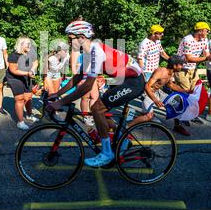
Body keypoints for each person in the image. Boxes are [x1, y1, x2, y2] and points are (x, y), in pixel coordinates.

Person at [48, 20, 145, 167]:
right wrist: (57, 94)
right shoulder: (88, 51)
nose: (68, 41)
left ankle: (106, 153)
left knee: (97, 108)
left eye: (70, 37)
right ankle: (123, 140)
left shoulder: (96, 52)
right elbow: (79, 77)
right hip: (123, 80)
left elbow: (87, 86)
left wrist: (60, 102)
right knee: (98, 111)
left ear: (81, 37)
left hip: (134, 81)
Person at [124, 55, 190, 136]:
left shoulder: (171, 72)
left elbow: (171, 85)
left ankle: (177, 126)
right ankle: (126, 128)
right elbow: (147, 86)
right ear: (175, 65)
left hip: (158, 92)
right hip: (148, 93)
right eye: (181, 64)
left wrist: (185, 91)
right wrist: (155, 100)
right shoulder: (160, 72)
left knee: (177, 105)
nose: (182, 66)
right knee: (148, 116)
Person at [175, 22, 211, 127]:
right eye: (207, 30)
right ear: (200, 31)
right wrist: (207, 58)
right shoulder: (188, 40)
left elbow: (206, 54)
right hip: (181, 68)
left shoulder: (205, 40)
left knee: (195, 92)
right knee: (184, 92)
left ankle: (191, 115)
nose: (208, 32)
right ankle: (180, 116)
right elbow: (189, 58)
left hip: (193, 69)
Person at [6, 37, 39, 130]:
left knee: (28, 97)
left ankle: (29, 115)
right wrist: (27, 73)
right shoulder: (13, 55)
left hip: (26, 76)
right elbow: (13, 70)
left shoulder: (30, 53)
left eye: (30, 43)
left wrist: (32, 69)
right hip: (14, 78)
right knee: (20, 99)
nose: (30, 45)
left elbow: (36, 62)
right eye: (27, 44)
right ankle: (20, 122)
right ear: (21, 45)